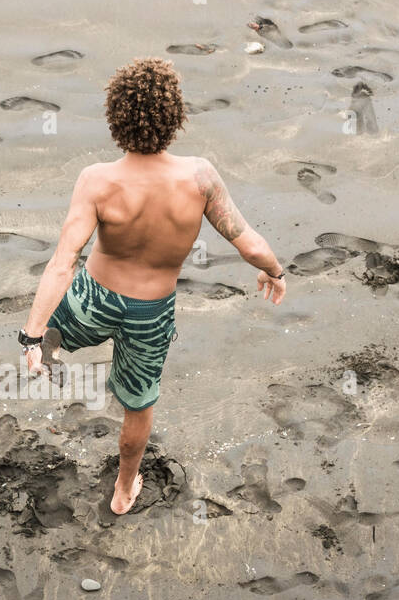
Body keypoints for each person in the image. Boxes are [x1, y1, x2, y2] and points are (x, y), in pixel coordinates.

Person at [18, 57, 287, 514]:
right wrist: (275, 272)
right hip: (149, 312)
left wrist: (30, 332)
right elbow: (248, 243)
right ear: (174, 117)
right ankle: (124, 490)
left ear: (115, 118)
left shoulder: (97, 180)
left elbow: (64, 263)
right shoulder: (200, 177)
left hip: (93, 299)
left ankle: (46, 350)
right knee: (138, 405)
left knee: (58, 325)